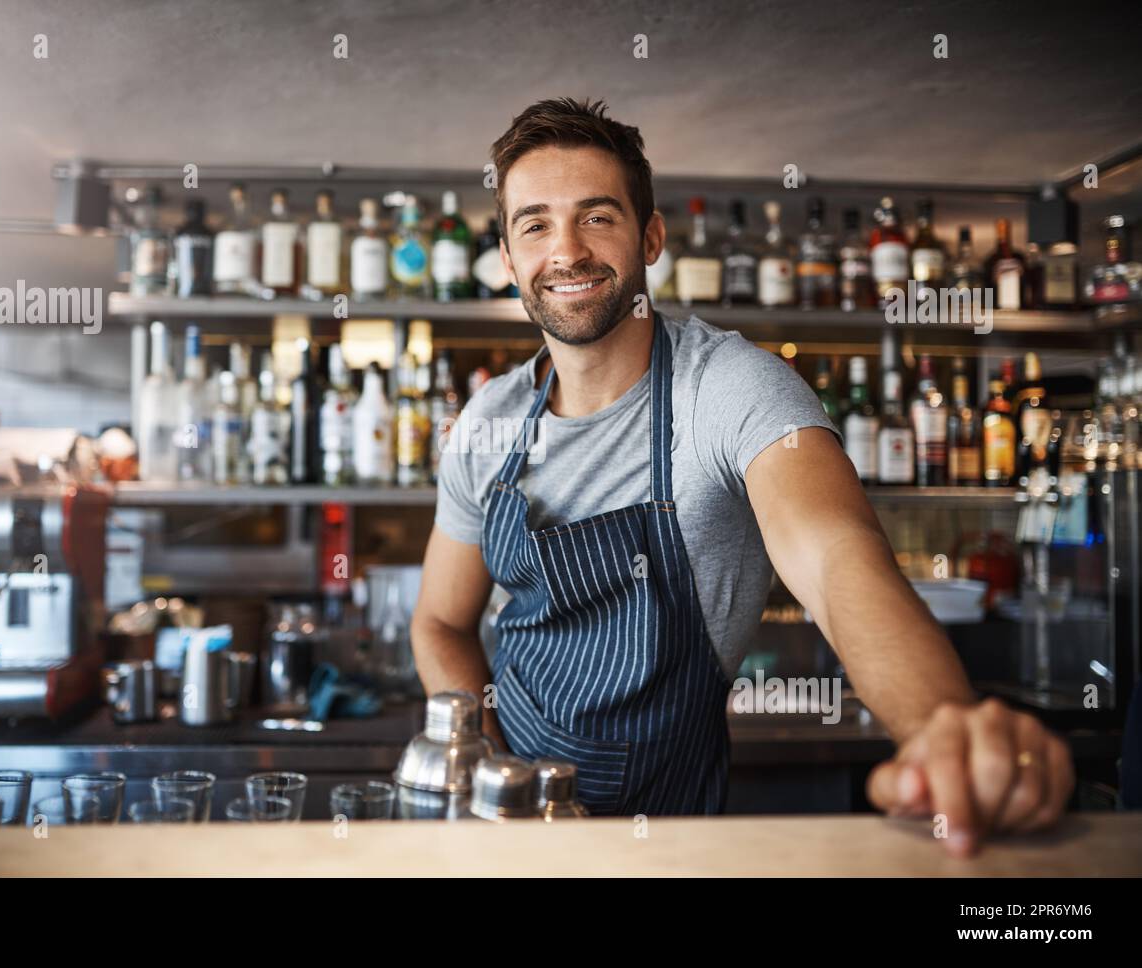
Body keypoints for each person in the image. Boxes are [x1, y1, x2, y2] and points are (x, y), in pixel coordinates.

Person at [410, 97, 1074, 856]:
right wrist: (492, 768)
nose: (566, 250)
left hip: (668, 835)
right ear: (506, 258)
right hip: (505, 820)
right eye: (534, 223)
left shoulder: (730, 389)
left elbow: (834, 555)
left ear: (651, 237)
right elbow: (439, 623)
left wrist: (941, 728)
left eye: (598, 216)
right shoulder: (489, 421)